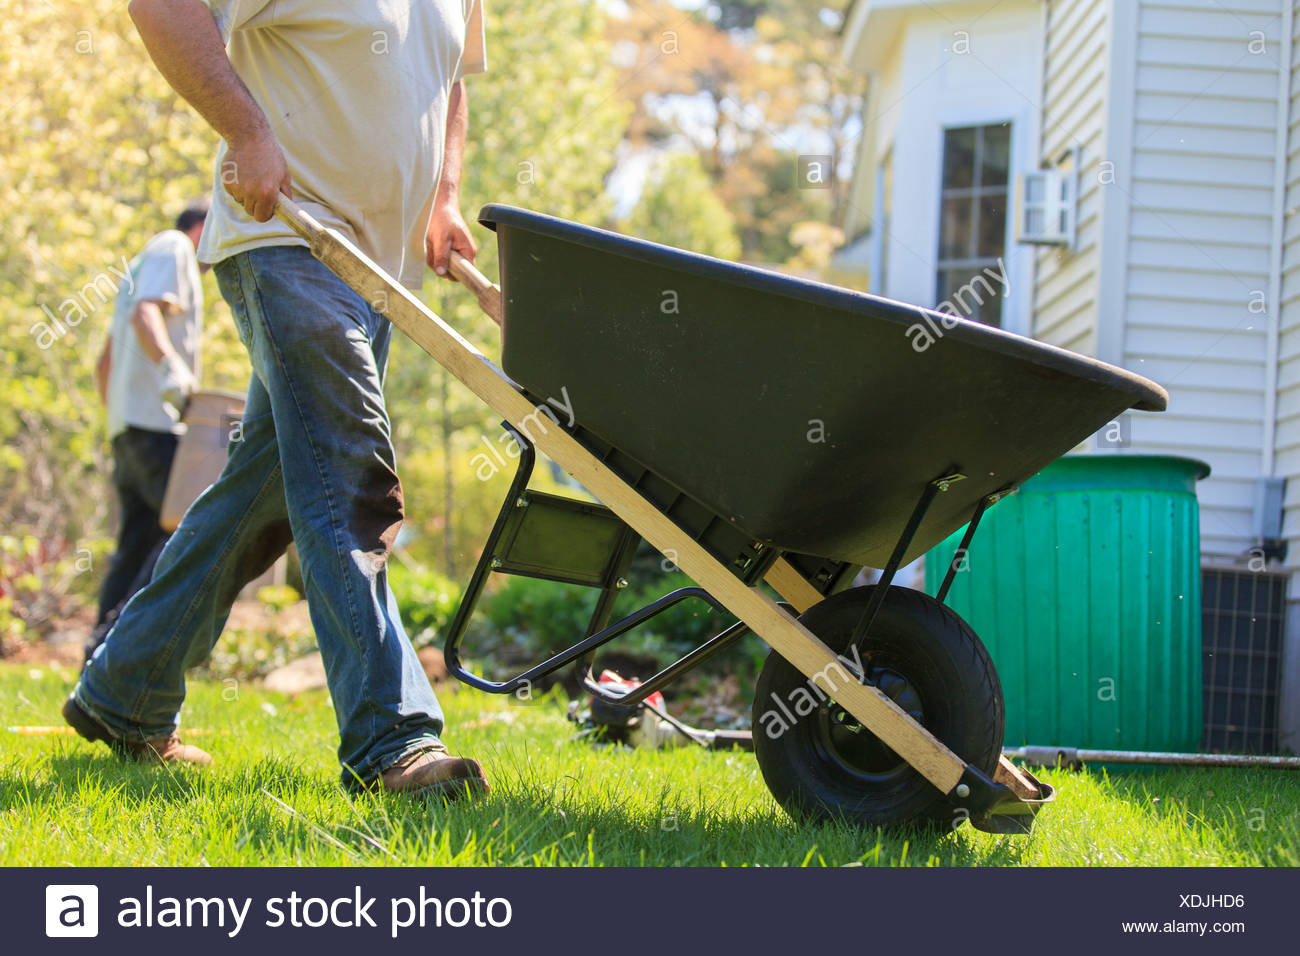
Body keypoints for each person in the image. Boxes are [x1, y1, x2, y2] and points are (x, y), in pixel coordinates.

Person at [64, 0, 490, 801]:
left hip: (378, 277)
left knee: (258, 498)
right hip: (288, 242)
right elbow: (162, 9)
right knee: (351, 477)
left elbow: (451, 82)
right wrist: (250, 134)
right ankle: (391, 741)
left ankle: (126, 693)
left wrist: (444, 196)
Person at [88, 198, 209, 664]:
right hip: (156, 426)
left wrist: (116, 417)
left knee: (135, 545)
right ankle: (128, 659)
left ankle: (98, 657)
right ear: (203, 227)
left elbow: (105, 360)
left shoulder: (141, 263)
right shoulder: (175, 247)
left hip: (127, 428)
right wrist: (170, 366)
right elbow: (147, 313)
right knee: (182, 538)